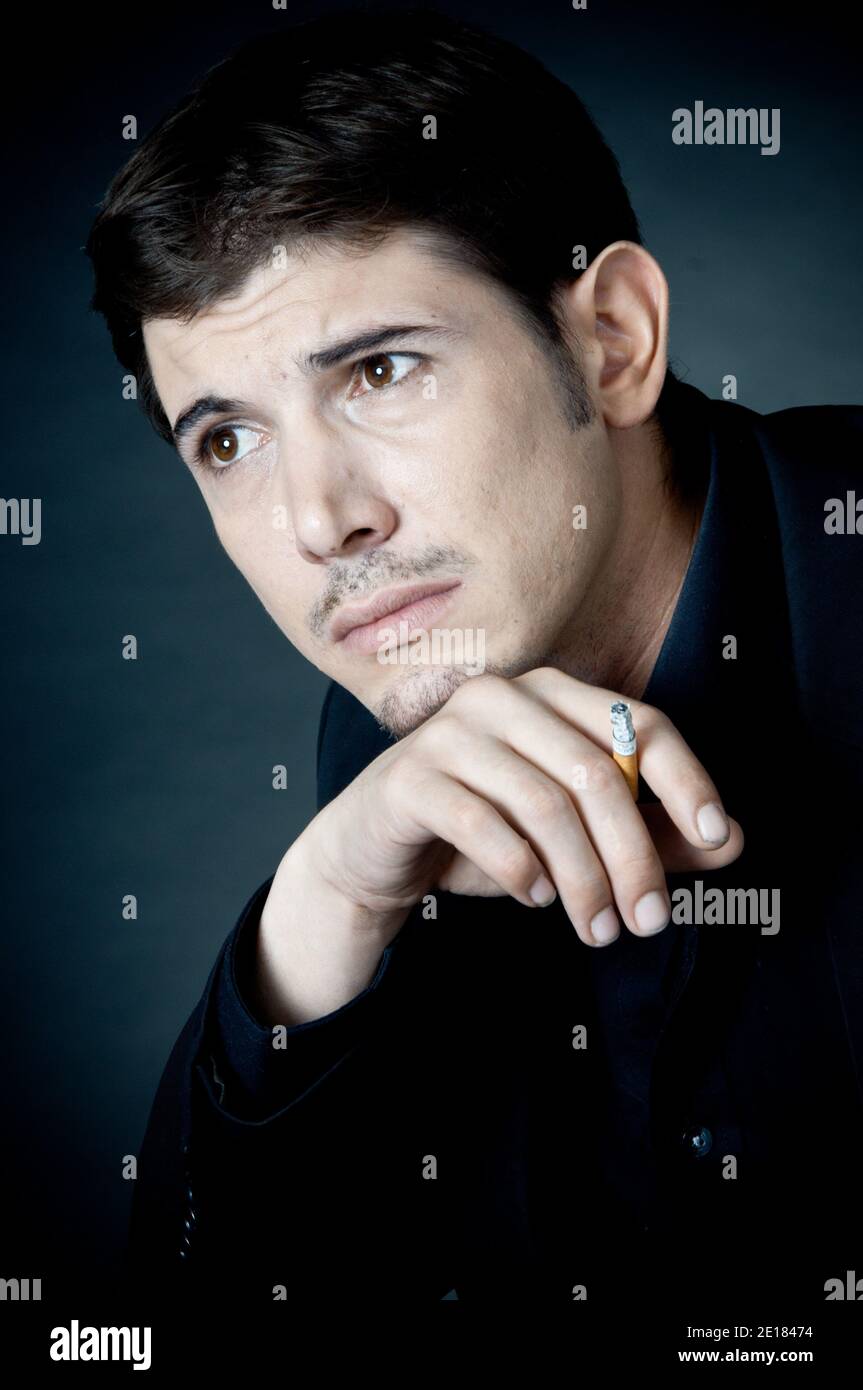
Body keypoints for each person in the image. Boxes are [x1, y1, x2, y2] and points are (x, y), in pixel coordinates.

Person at [85, 7, 863, 1324]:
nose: (321, 520)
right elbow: (187, 1324)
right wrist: (316, 913)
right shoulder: (390, 752)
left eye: (381, 370)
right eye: (228, 442)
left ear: (609, 339)